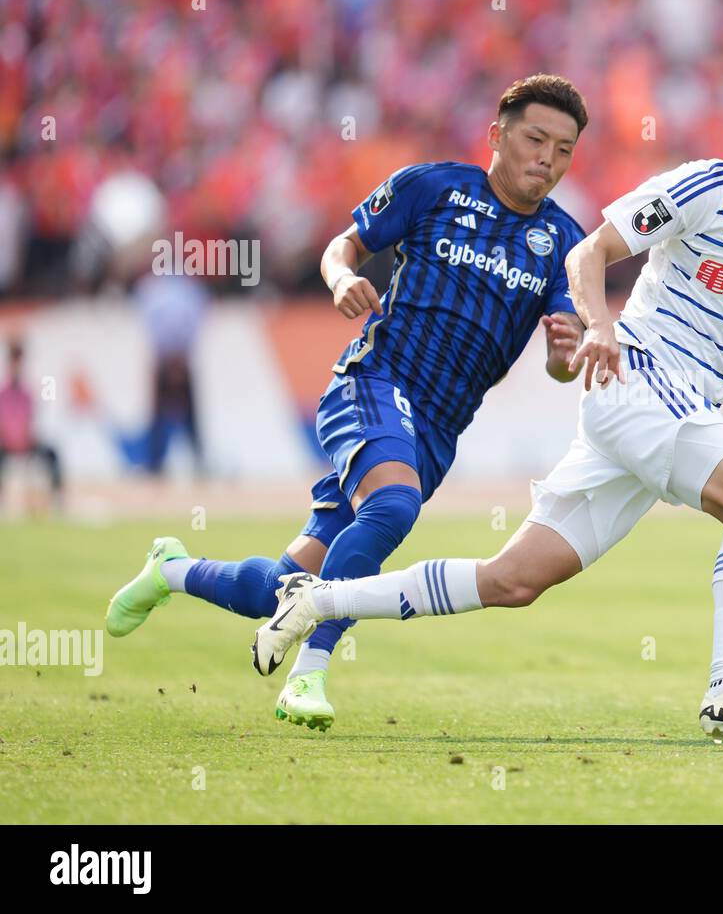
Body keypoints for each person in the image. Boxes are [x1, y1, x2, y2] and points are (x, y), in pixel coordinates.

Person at [252, 57, 723, 741]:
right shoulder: (701, 188)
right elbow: (587, 255)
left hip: (669, 403)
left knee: (514, 580)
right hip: (640, 375)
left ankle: (316, 600)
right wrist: (602, 329)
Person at [107, 75, 591, 731]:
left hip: (437, 430)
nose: (548, 160)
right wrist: (340, 279)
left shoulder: (563, 241)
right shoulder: (435, 187)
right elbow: (346, 246)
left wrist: (566, 353)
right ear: (498, 135)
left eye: (564, 150)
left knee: (274, 588)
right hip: (371, 380)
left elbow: (563, 364)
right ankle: (308, 677)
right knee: (394, 505)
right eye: (537, 139)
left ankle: (173, 569)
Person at [0, 339, 63, 510]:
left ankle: (58, 500)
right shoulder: (3, 393)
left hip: (27, 444)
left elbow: (32, 422)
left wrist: (28, 438)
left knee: (52, 454)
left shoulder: (28, 392)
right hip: (7, 445)